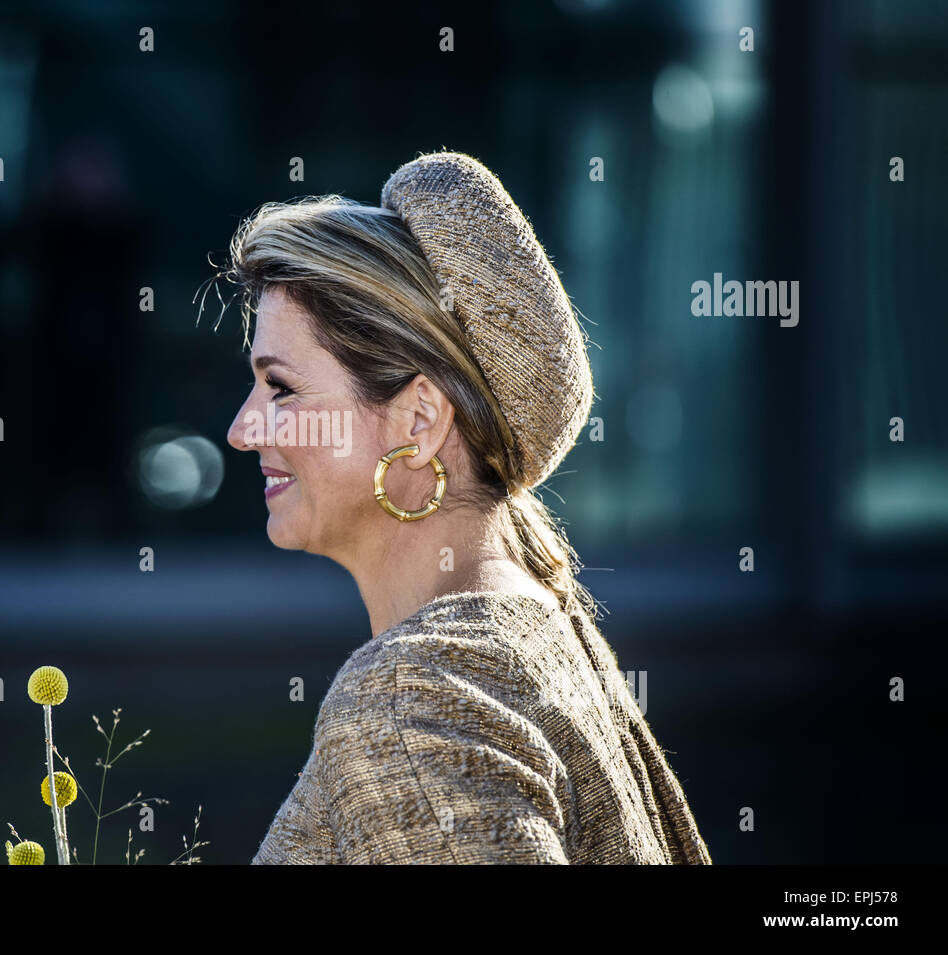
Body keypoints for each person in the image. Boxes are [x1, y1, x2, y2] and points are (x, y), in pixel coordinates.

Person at [206, 150, 712, 864]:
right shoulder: (541, 625)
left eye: (281, 388)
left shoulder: (412, 695)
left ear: (418, 420)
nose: (241, 427)